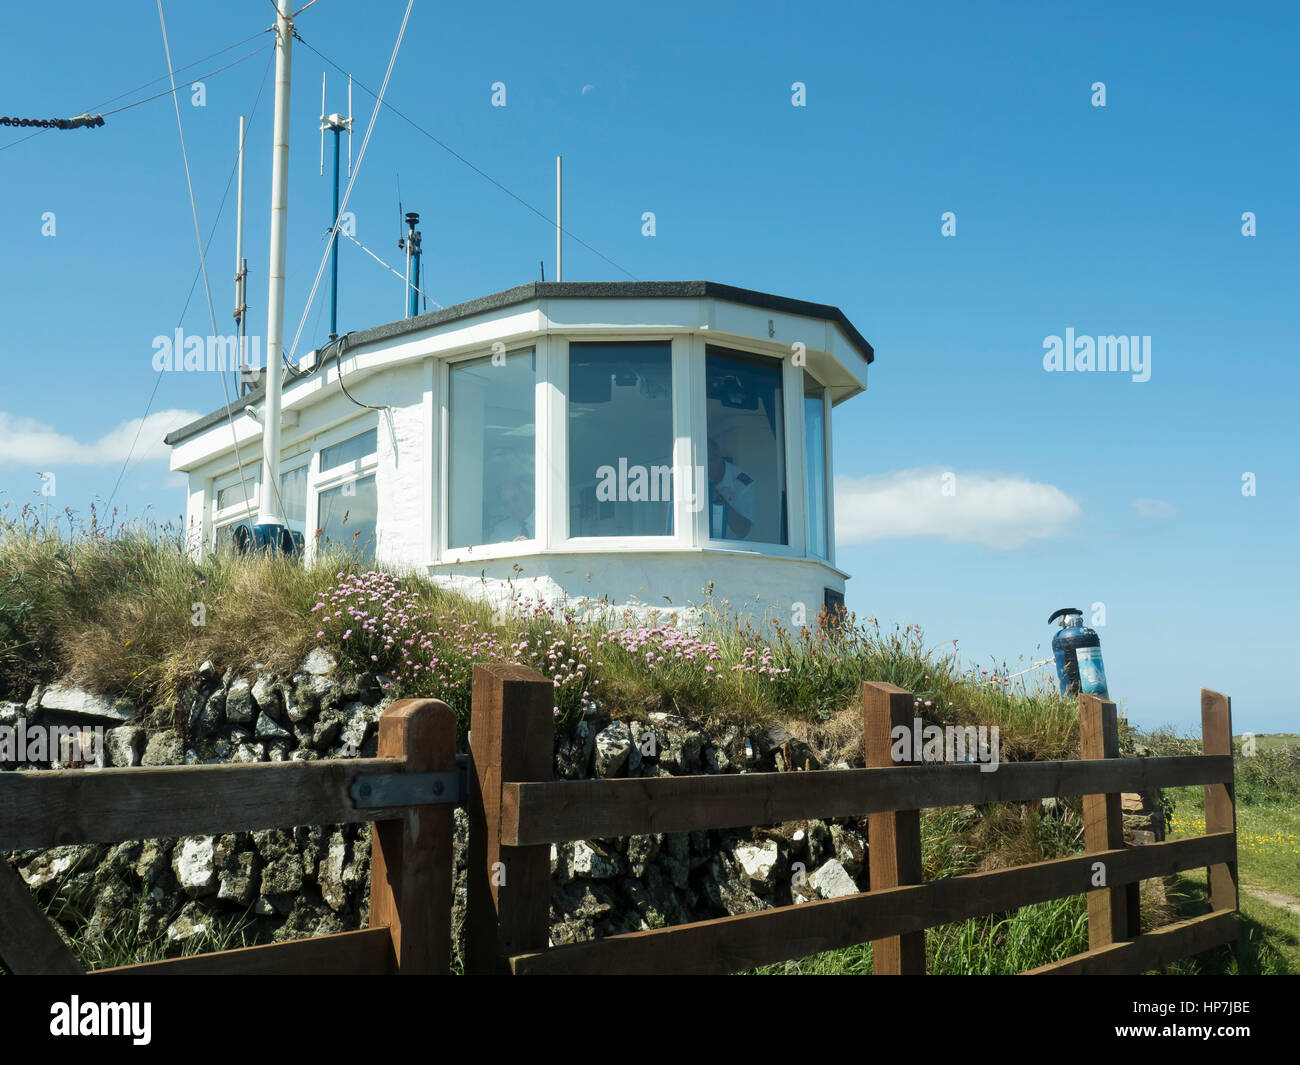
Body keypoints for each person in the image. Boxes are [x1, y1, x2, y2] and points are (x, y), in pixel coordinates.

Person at [707, 437, 755, 539]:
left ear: (717, 457)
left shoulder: (742, 483)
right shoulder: (694, 475)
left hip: (732, 550)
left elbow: (743, 530)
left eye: (707, 462)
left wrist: (718, 498)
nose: (703, 468)